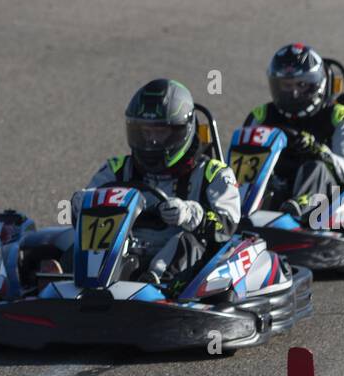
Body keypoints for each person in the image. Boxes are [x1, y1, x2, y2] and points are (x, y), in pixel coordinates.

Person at [81, 78, 239, 291]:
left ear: (182, 130)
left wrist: (192, 215)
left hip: (175, 262)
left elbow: (227, 226)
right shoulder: (119, 168)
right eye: (145, 132)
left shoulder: (213, 173)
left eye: (160, 132)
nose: (151, 141)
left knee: (187, 241)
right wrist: (80, 203)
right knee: (70, 236)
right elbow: (92, 198)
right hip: (125, 249)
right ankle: (72, 279)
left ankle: (152, 286)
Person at [243, 42, 344, 223]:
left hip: (325, 201)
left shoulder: (339, 117)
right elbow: (241, 163)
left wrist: (317, 149)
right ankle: (239, 213)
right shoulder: (261, 116)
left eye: (301, 85)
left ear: (316, 84)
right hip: (275, 187)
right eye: (286, 85)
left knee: (314, 167)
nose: (294, 93)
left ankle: (297, 212)